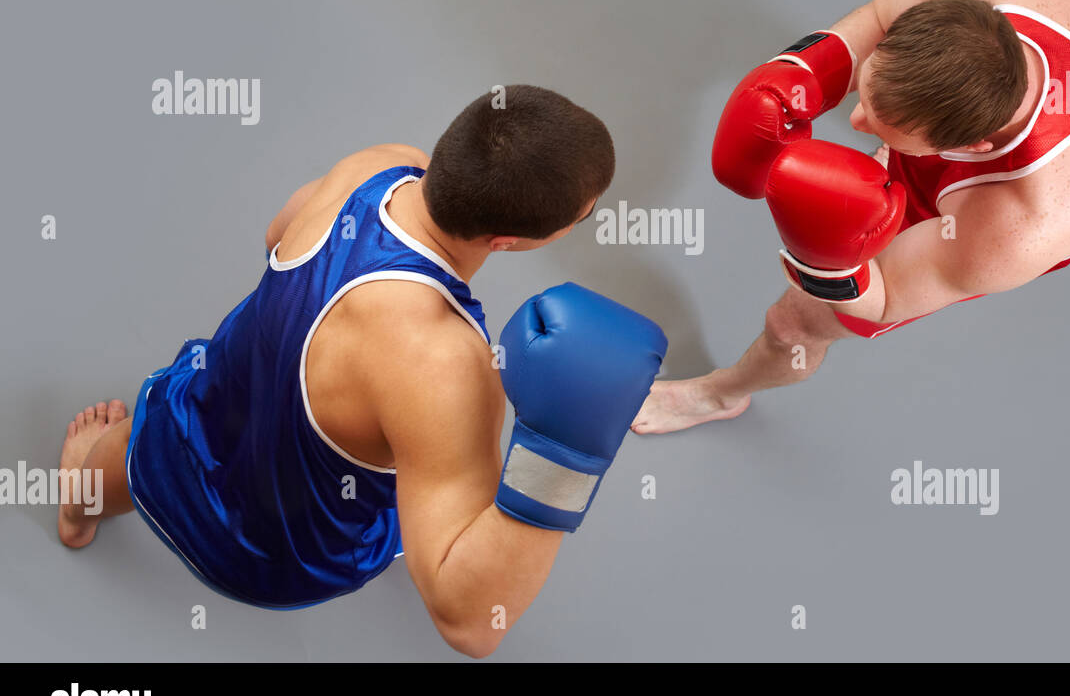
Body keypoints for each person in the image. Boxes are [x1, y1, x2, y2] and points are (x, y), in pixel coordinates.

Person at [57, 85, 666, 658]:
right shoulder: (447, 364)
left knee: (142, 439)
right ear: (509, 241)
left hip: (197, 420)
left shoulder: (377, 166)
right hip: (278, 554)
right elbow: (471, 623)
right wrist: (563, 459)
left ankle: (74, 512)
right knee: (419, 483)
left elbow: (277, 236)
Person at [633, 0, 1070, 434]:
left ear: (969, 147)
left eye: (881, 125)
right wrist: (800, 72)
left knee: (795, 327)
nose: (853, 121)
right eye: (866, 100)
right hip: (961, 132)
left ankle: (719, 395)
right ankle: (896, 118)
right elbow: (877, 19)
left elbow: (887, 297)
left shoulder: (1023, 222)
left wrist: (825, 261)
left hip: (977, 205)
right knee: (889, 111)